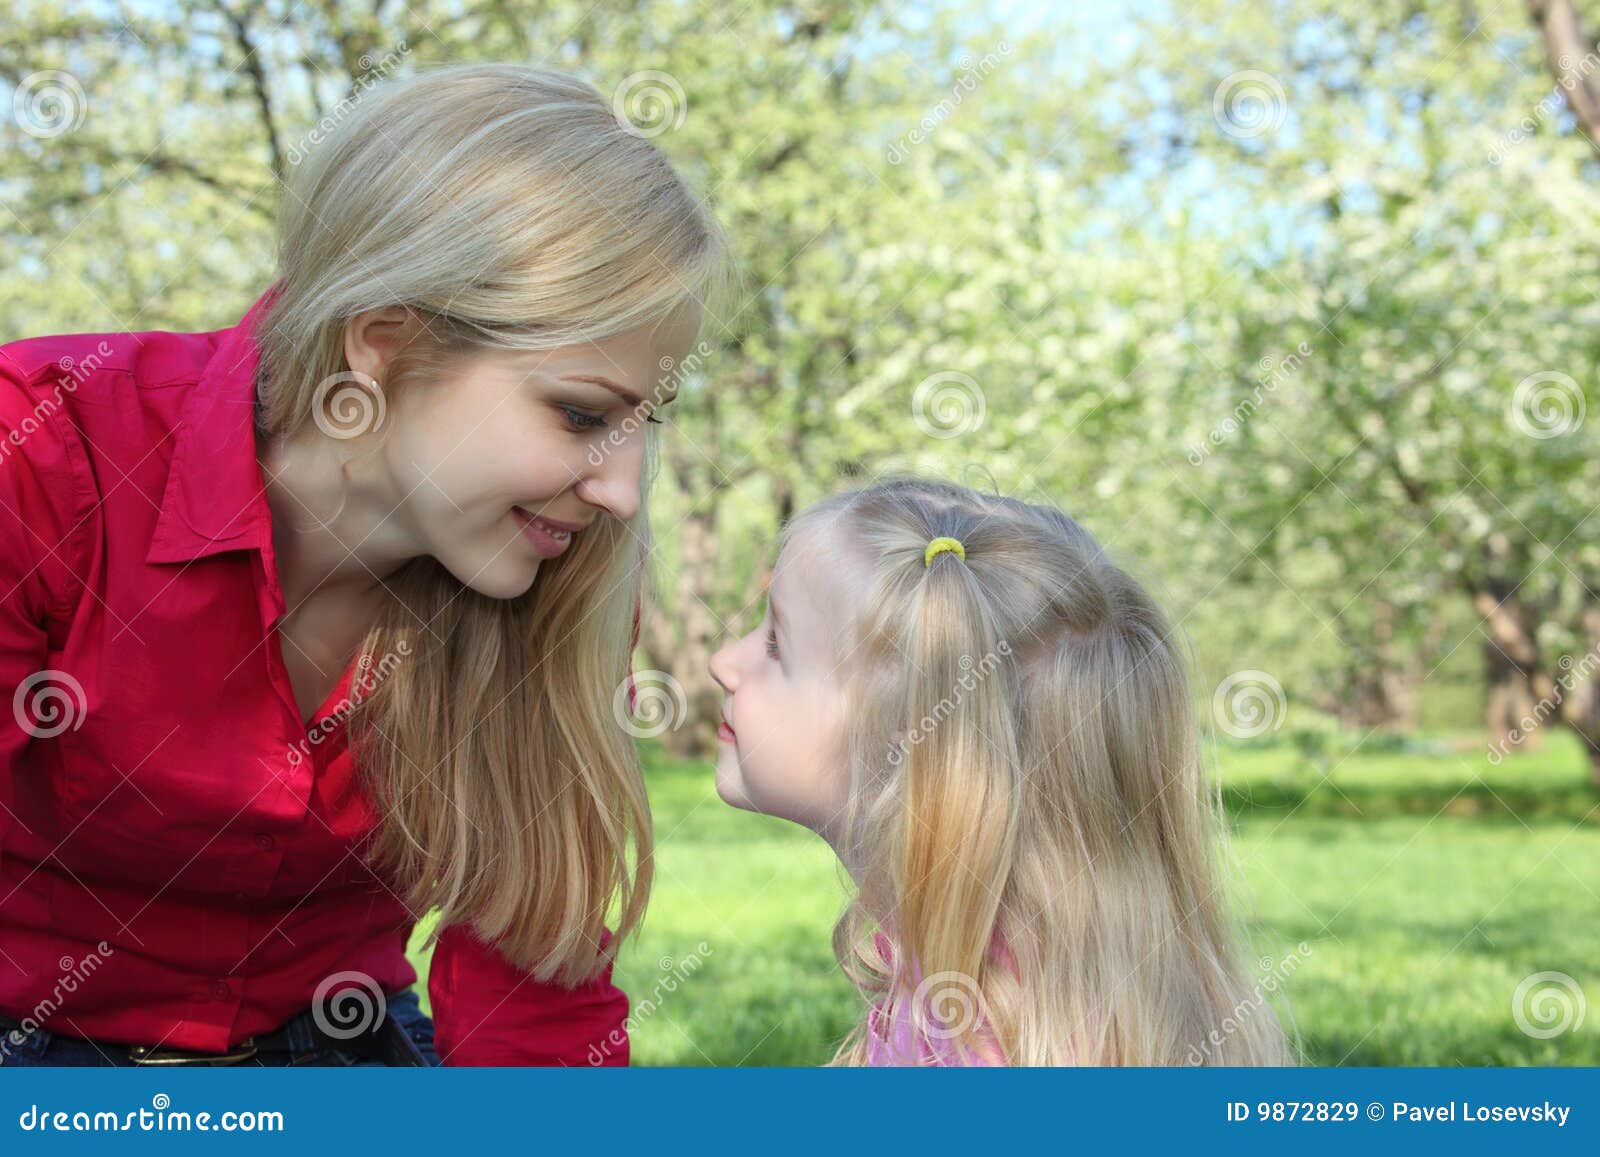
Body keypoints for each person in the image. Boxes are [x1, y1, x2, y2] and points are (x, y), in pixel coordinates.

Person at [0, 62, 727, 1066]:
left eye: (647, 417)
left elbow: (533, 1004)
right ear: (383, 342)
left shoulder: (559, 563)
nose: (622, 491)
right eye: (581, 413)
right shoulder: (41, 458)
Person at [708, 477, 1296, 1065]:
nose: (724, 662)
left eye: (777, 645)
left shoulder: (971, 1040)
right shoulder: (1000, 989)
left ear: (919, 743)